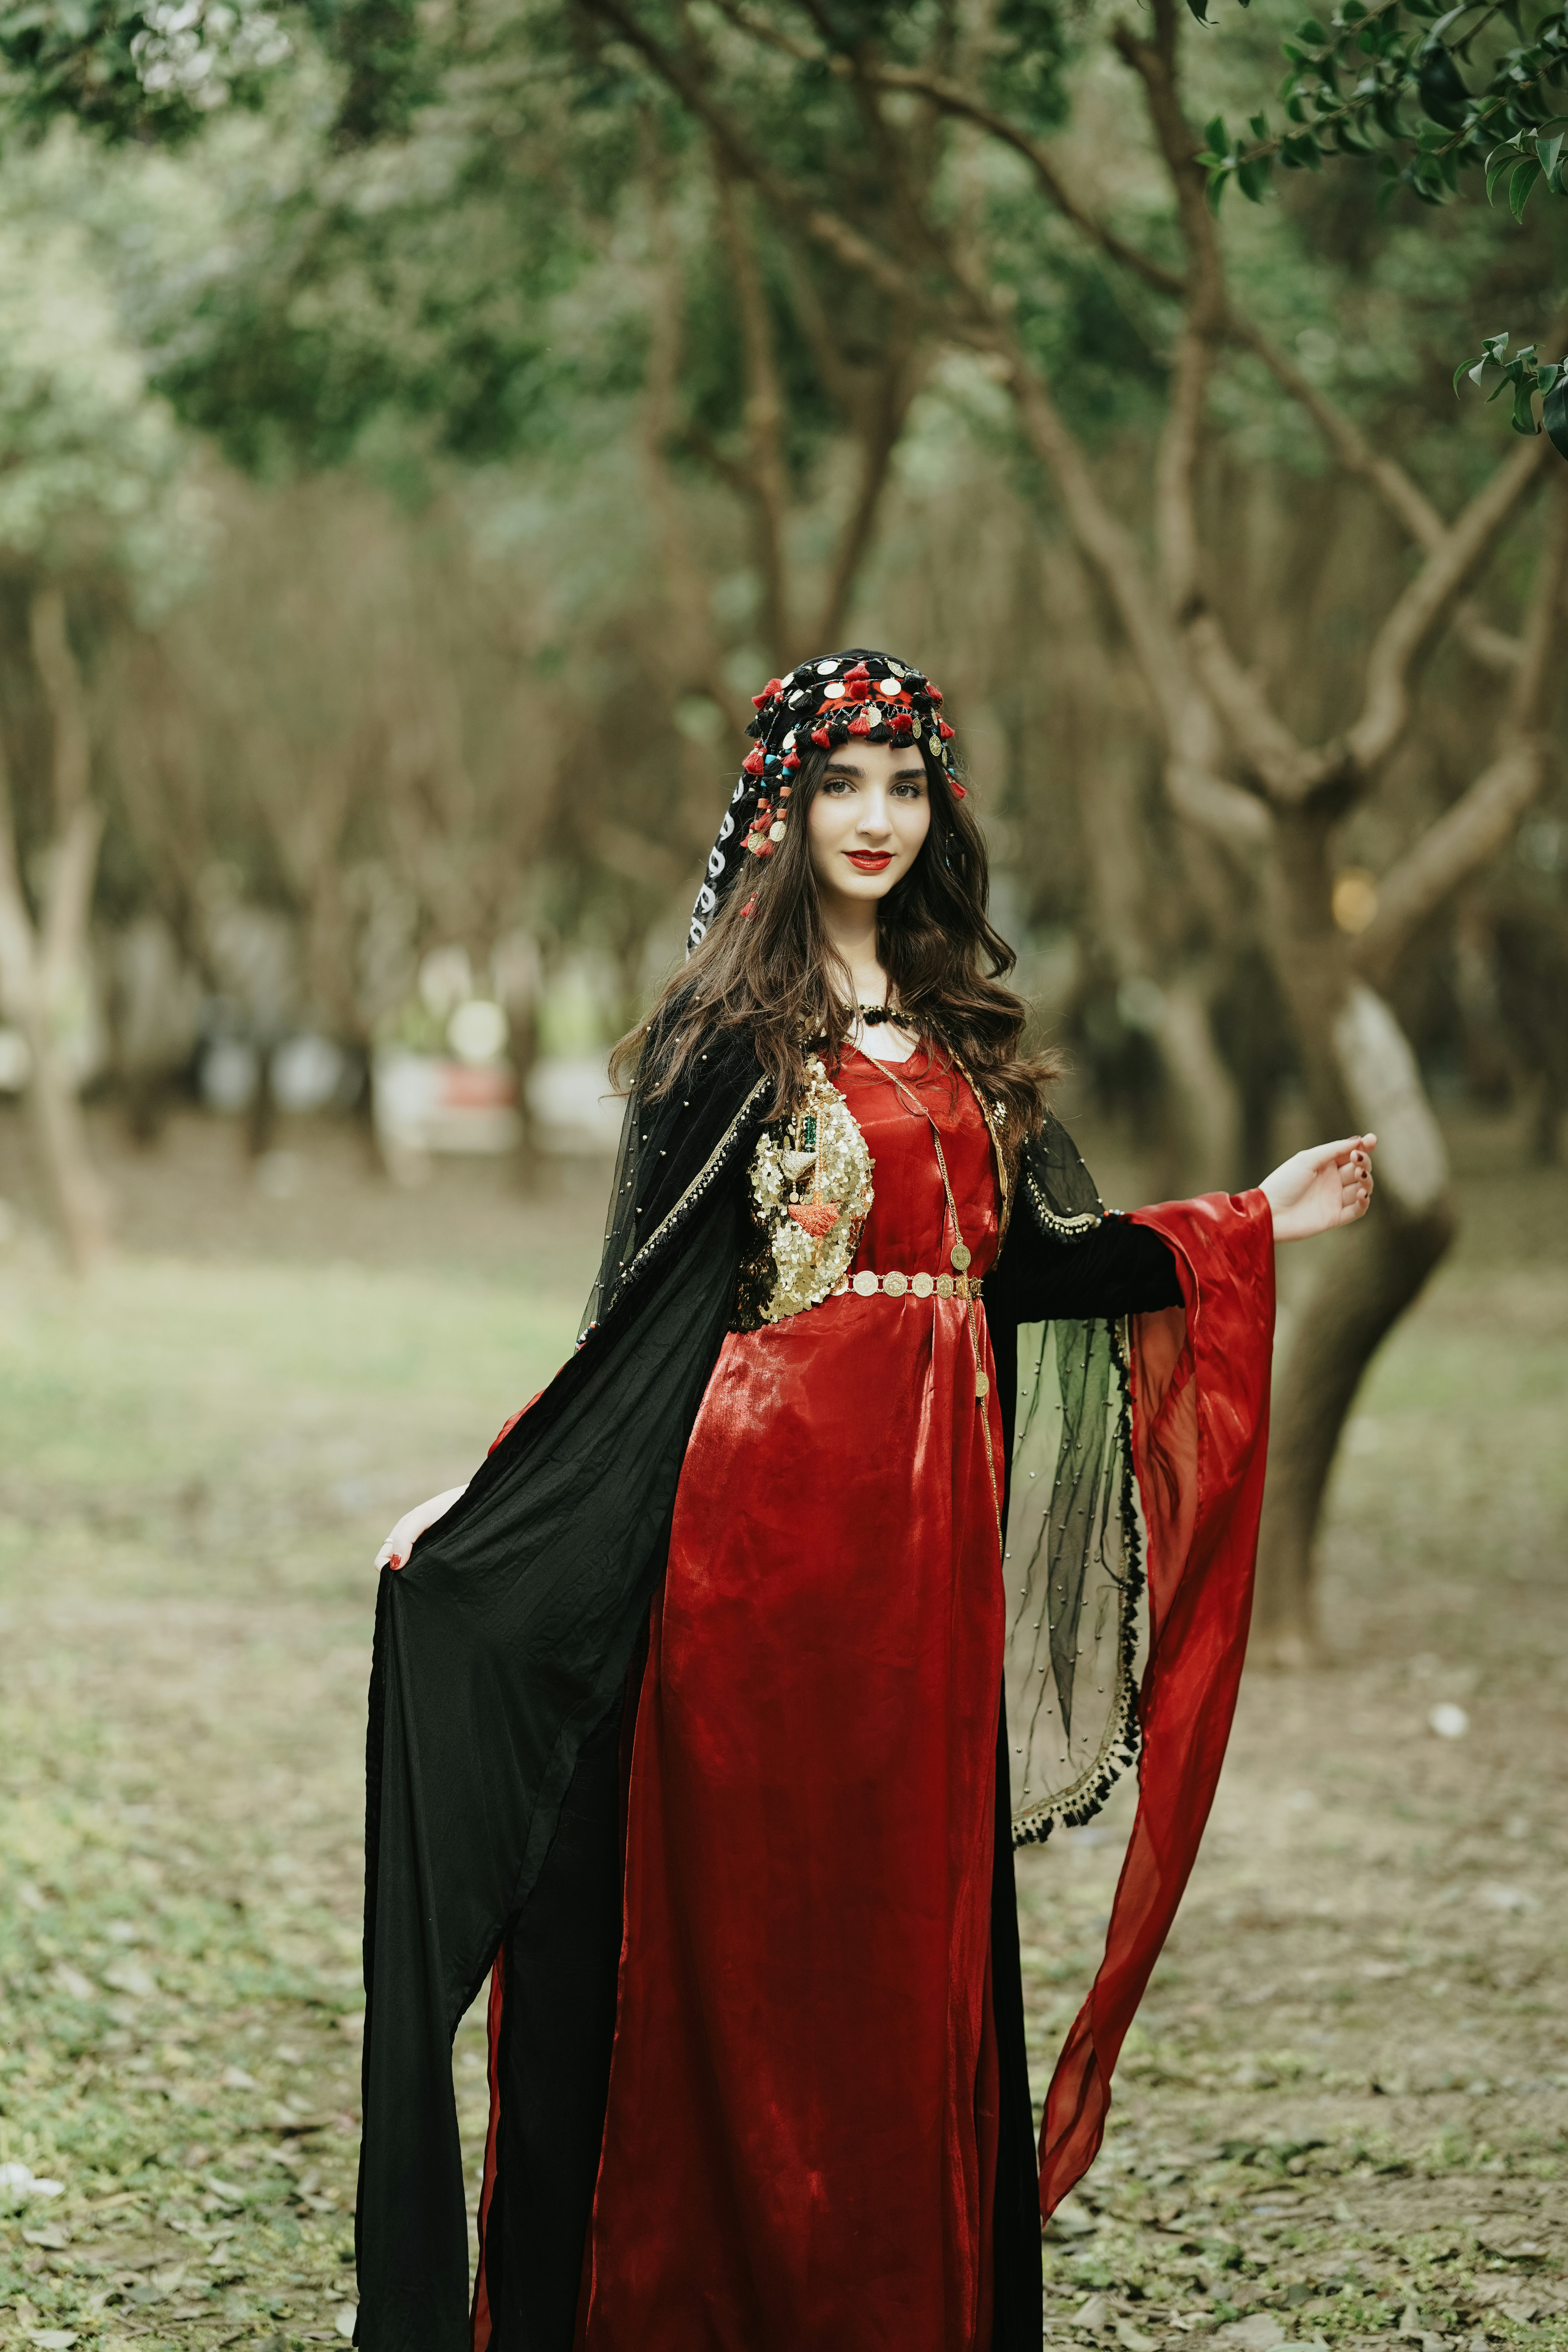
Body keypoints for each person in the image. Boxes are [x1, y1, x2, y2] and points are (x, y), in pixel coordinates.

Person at [356, 650, 1374, 2352]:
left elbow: (1028, 1269)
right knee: (757, 1943)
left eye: (905, 787)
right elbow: (633, 1309)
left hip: (924, 1565)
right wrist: (489, 1487)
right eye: (844, 785)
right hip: (753, 1556)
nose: (877, 819)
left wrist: (1244, 1224)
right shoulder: (721, 1035)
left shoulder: (966, 1033)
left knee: (903, 1947)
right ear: (781, 806)